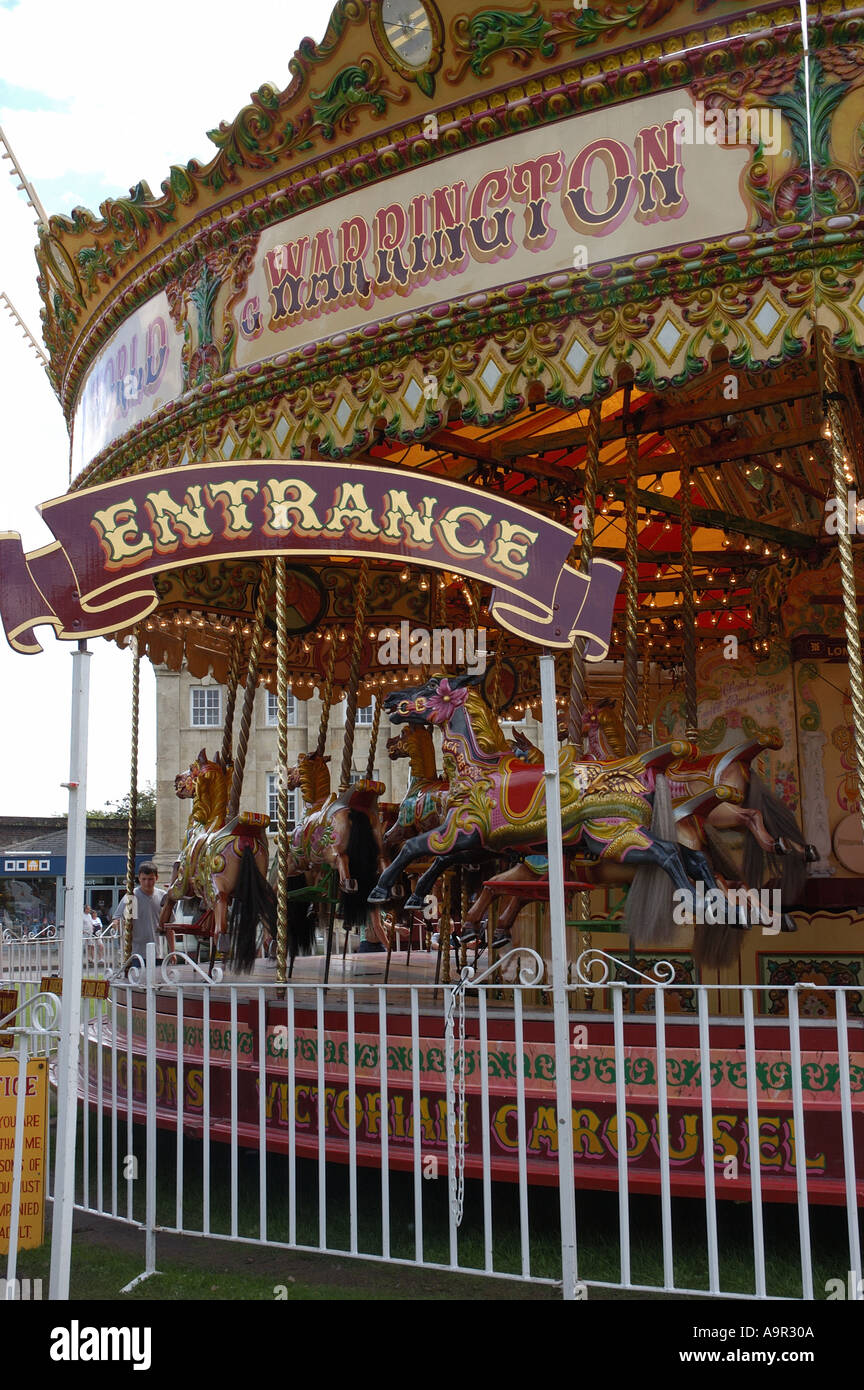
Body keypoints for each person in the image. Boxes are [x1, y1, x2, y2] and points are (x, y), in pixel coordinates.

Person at [111, 863, 166, 965]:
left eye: (150, 879)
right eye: (144, 879)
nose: (147, 883)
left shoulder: (162, 896)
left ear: (156, 878)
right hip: (136, 953)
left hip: (158, 951)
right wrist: (119, 925)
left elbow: (168, 925)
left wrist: (172, 950)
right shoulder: (132, 897)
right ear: (139, 879)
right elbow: (117, 919)